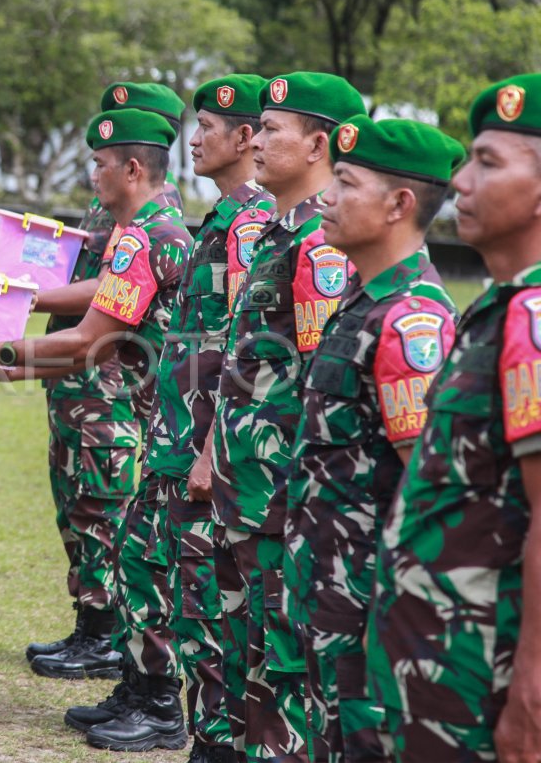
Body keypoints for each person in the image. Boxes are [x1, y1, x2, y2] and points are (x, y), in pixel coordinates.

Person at [0, 108, 192, 752]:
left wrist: (2, 354)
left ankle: (156, 703)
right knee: (131, 554)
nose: (93, 173)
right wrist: (8, 360)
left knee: (141, 558)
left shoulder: (148, 237)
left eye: (100, 163)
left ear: (132, 169)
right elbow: (95, 344)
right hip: (147, 420)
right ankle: (137, 690)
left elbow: (88, 342)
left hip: (148, 421)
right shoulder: (144, 232)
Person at [75, 74, 271, 763]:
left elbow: (247, 346)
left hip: (205, 444)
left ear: (244, 138)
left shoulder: (250, 226)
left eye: (208, 128)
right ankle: (148, 693)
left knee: (201, 593)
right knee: (146, 561)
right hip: (175, 433)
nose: (194, 139)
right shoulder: (219, 220)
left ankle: (178, 717)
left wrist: (211, 449)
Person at [368, 73, 541, 763]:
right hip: (439, 664)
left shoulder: (532, 318)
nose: (461, 182)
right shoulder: (499, 308)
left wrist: (531, 691)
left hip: (481, 673)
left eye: (489, 163)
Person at [284, 116, 463, 763]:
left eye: (347, 183)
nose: (326, 197)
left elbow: (425, 486)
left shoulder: (411, 319)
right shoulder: (363, 301)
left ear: (398, 204)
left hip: (367, 606)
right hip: (329, 592)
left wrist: (394, 616)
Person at [205, 72, 365, 763]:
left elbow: (316, 383)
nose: (257, 141)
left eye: (272, 129)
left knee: (280, 678)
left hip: (279, 499)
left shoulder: (319, 246)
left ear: (319, 145)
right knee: (244, 663)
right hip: (245, 489)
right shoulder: (276, 233)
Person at [27, 82, 185, 681]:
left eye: (104, 159)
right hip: (80, 379)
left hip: (110, 385)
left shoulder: (154, 224)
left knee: (104, 508)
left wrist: (23, 303)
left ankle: (105, 634)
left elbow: (107, 296)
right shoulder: (119, 210)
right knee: (77, 504)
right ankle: (91, 626)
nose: (96, 170)